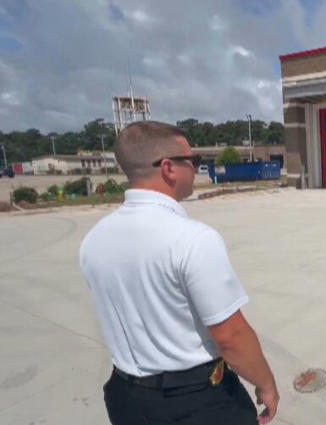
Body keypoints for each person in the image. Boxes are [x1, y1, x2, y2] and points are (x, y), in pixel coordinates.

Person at [79, 121, 279, 425]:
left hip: (126, 399)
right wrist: (266, 384)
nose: (196, 168)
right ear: (169, 168)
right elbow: (231, 337)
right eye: (193, 161)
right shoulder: (193, 239)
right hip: (197, 402)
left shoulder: (93, 240)